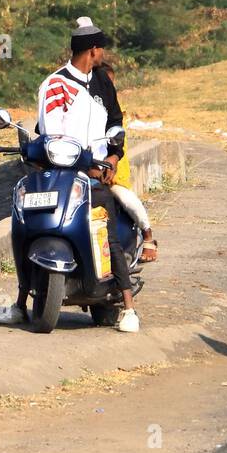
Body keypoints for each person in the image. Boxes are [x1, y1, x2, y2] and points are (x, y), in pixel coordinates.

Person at [35, 17, 140, 333]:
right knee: (35, 223)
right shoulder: (56, 86)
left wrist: (113, 155)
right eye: (101, 50)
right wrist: (84, 164)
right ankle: (21, 297)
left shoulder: (102, 82)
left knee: (107, 236)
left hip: (97, 177)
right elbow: (50, 135)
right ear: (93, 50)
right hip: (63, 175)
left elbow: (114, 123)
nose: (103, 55)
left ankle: (128, 307)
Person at [101, 61, 158, 263]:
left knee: (125, 199)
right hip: (86, 169)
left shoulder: (115, 111)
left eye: (110, 84)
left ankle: (148, 234)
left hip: (113, 174)